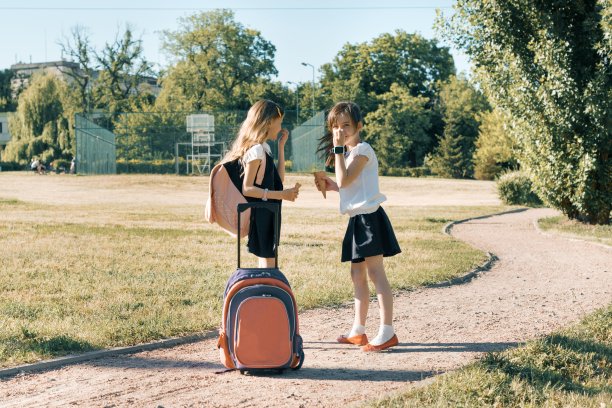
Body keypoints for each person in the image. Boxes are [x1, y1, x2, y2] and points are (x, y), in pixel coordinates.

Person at [316, 101, 401, 352]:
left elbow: (346, 178)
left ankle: (387, 332)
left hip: (369, 219)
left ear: (359, 126)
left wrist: (339, 149)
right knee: (357, 276)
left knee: (376, 274)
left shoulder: (363, 149)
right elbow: (345, 183)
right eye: (336, 127)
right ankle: (358, 331)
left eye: (346, 126)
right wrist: (330, 185)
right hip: (357, 219)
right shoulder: (349, 153)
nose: (341, 131)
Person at [220, 99, 300, 268]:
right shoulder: (256, 150)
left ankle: (265, 290)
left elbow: (279, 179)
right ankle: (266, 290)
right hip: (262, 214)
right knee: (269, 261)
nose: (280, 128)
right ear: (268, 123)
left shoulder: (264, 148)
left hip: (270, 211)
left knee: (268, 259)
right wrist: (281, 195)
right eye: (279, 123)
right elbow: (248, 189)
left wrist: (281, 147)